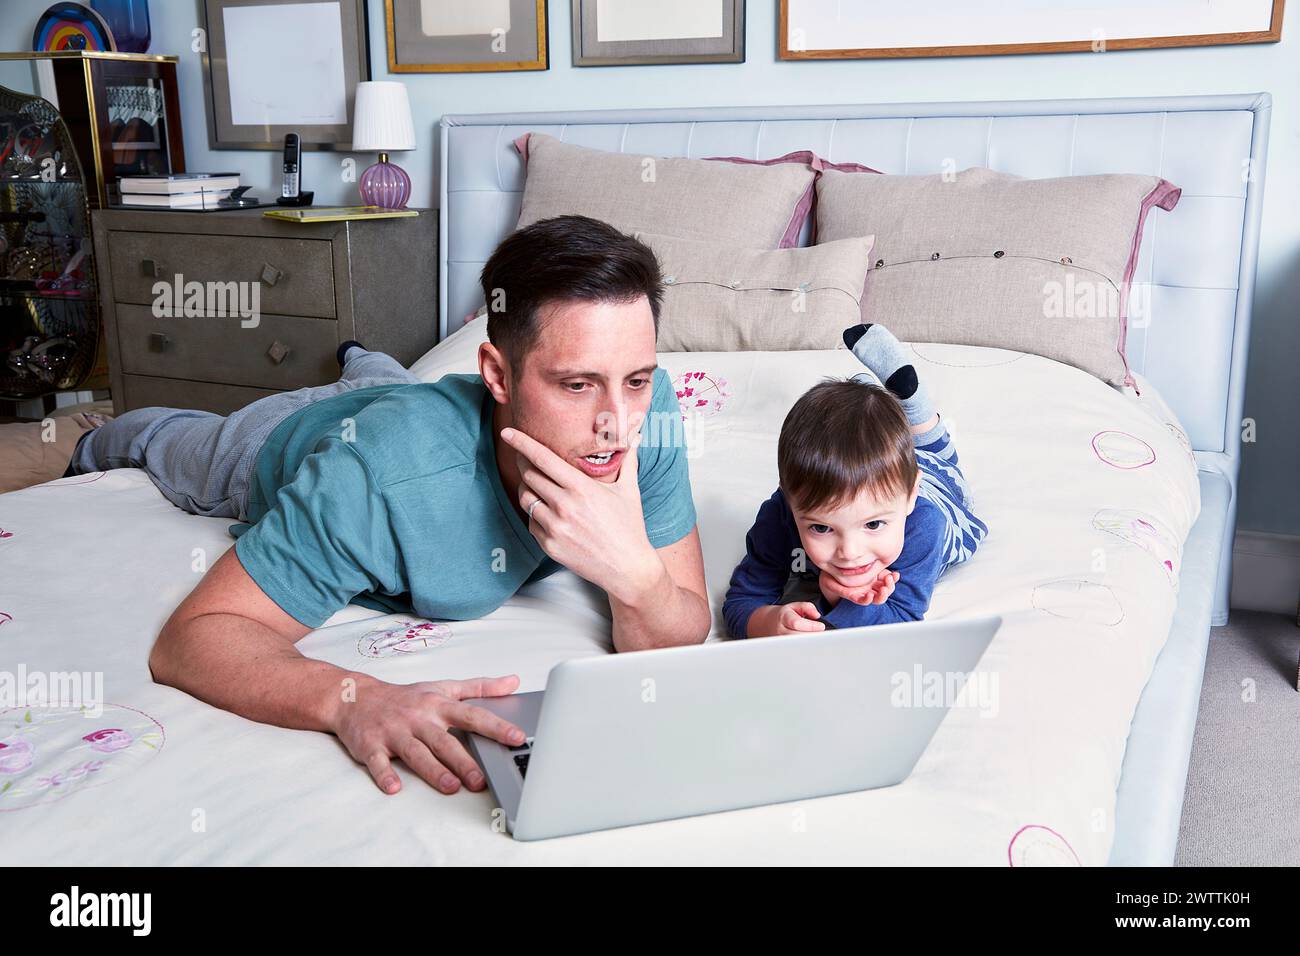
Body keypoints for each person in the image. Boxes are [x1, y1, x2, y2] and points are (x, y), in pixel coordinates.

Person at [71, 214, 711, 796]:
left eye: (634, 379)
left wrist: (635, 577)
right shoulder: (376, 475)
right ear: (497, 374)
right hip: (277, 441)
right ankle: (112, 432)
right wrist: (352, 699)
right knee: (171, 442)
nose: (616, 425)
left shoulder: (642, 414)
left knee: (390, 386)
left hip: (411, 409)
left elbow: (678, 625)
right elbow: (194, 638)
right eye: (577, 385)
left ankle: (364, 362)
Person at [723, 323, 988, 637]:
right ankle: (871, 400)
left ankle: (913, 406)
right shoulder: (780, 516)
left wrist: (838, 602)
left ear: (908, 497)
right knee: (881, 436)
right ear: (789, 500)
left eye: (874, 525)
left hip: (938, 488)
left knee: (937, 454)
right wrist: (768, 621)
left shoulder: (925, 528)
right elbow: (743, 599)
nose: (849, 551)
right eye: (821, 528)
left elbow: (901, 617)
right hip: (889, 480)